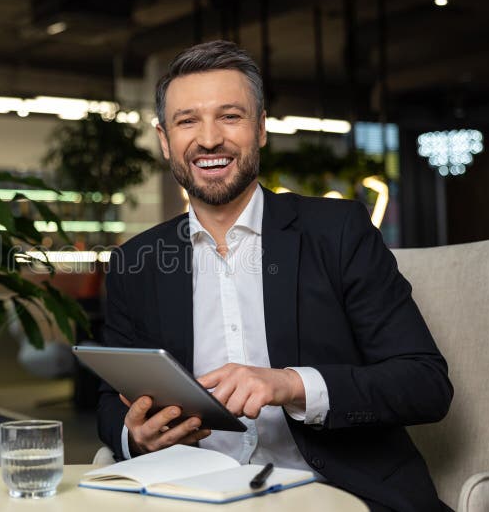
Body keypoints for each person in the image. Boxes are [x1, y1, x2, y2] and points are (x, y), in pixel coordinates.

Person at [97, 40, 453, 512]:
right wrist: (134, 435)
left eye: (230, 116)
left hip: (339, 495)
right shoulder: (136, 261)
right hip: (192, 497)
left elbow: (425, 384)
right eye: (187, 121)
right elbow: (110, 398)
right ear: (165, 140)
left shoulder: (339, 232)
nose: (208, 139)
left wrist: (291, 385)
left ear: (261, 128)